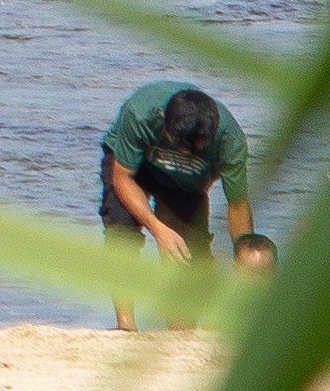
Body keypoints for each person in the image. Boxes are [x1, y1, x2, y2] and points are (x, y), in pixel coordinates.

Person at [99, 79, 264, 327]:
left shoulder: (230, 140)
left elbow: (238, 205)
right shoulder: (140, 112)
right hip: (135, 167)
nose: (184, 153)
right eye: (180, 145)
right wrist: (158, 229)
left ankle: (179, 331)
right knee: (121, 232)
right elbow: (123, 177)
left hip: (186, 183)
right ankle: (126, 326)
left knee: (188, 255)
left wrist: (245, 260)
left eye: (194, 148)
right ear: (164, 120)